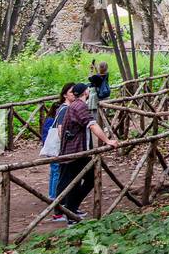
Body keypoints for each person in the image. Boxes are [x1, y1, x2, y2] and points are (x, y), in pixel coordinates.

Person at [56, 83, 116, 224]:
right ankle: (70, 214)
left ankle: (71, 211)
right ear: (85, 92)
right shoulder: (79, 106)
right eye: (87, 90)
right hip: (75, 152)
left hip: (75, 151)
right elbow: (92, 124)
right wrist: (107, 140)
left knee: (78, 181)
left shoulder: (75, 105)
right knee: (88, 179)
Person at [42, 84, 75, 221]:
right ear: (64, 95)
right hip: (58, 149)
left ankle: (55, 197)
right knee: (58, 172)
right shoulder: (63, 110)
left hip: (57, 148)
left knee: (57, 172)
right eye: (71, 92)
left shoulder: (53, 116)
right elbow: (60, 131)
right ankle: (56, 201)